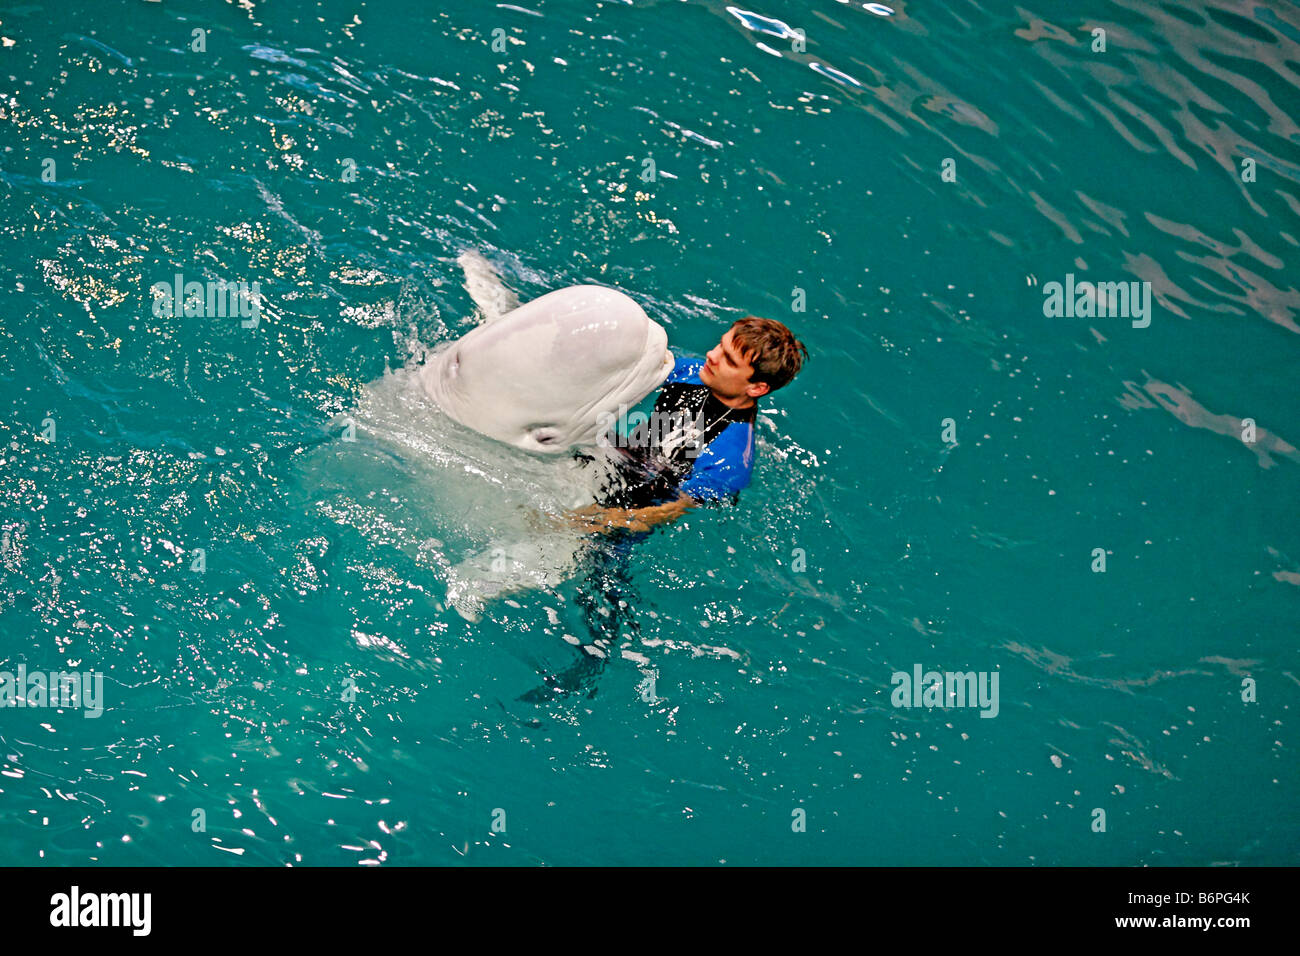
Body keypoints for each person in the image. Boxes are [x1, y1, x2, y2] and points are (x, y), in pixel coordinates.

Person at [566, 316, 808, 534]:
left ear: (756, 388)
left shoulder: (730, 460)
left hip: (631, 507)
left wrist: (596, 521)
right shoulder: (688, 372)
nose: (712, 355)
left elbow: (667, 512)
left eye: (729, 360)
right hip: (614, 458)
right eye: (720, 345)